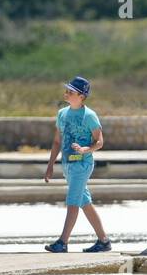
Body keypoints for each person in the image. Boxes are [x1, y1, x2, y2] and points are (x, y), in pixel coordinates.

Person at [44, 76, 111, 252]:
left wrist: (85, 150)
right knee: (84, 202)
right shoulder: (62, 114)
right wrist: (50, 164)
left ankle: (62, 242)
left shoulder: (89, 116)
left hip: (82, 165)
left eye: (71, 91)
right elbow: (57, 141)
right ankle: (104, 241)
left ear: (81, 96)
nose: (66, 93)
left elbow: (99, 142)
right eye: (67, 90)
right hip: (67, 165)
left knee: (72, 201)